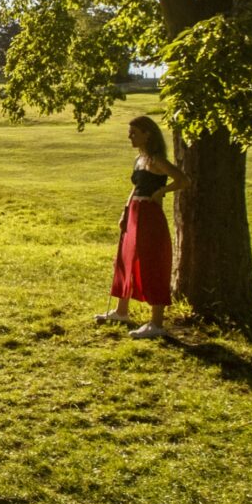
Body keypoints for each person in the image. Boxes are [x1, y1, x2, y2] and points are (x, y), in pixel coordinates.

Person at [96, 116, 189, 339]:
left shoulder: (157, 160)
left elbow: (182, 180)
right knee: (125, 259)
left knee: (152, 261)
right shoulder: (140, 159)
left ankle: (156, 323)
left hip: (149, 214)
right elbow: (136, 188)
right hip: (135, 213)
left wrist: (161, 192)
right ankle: (121, 311)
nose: (130, 136)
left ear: (148, 134)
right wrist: (125, 211)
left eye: (134, 132)